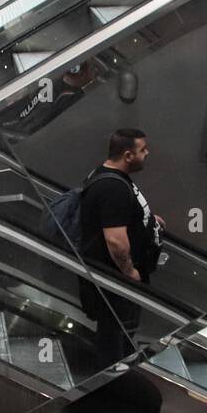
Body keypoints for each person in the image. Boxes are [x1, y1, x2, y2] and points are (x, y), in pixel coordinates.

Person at [77, 128, 165, 368]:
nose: (147, 153)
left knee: (118, 330)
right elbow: (115, 240)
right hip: (117, 281)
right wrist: (130, 273)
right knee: (116, 331)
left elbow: (116, 215)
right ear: (128, 155)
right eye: (143, 150)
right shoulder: (111, 188)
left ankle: (119, 366)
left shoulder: (106, 175)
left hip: (118, 279)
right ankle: (114, 376)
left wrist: (146, 220)